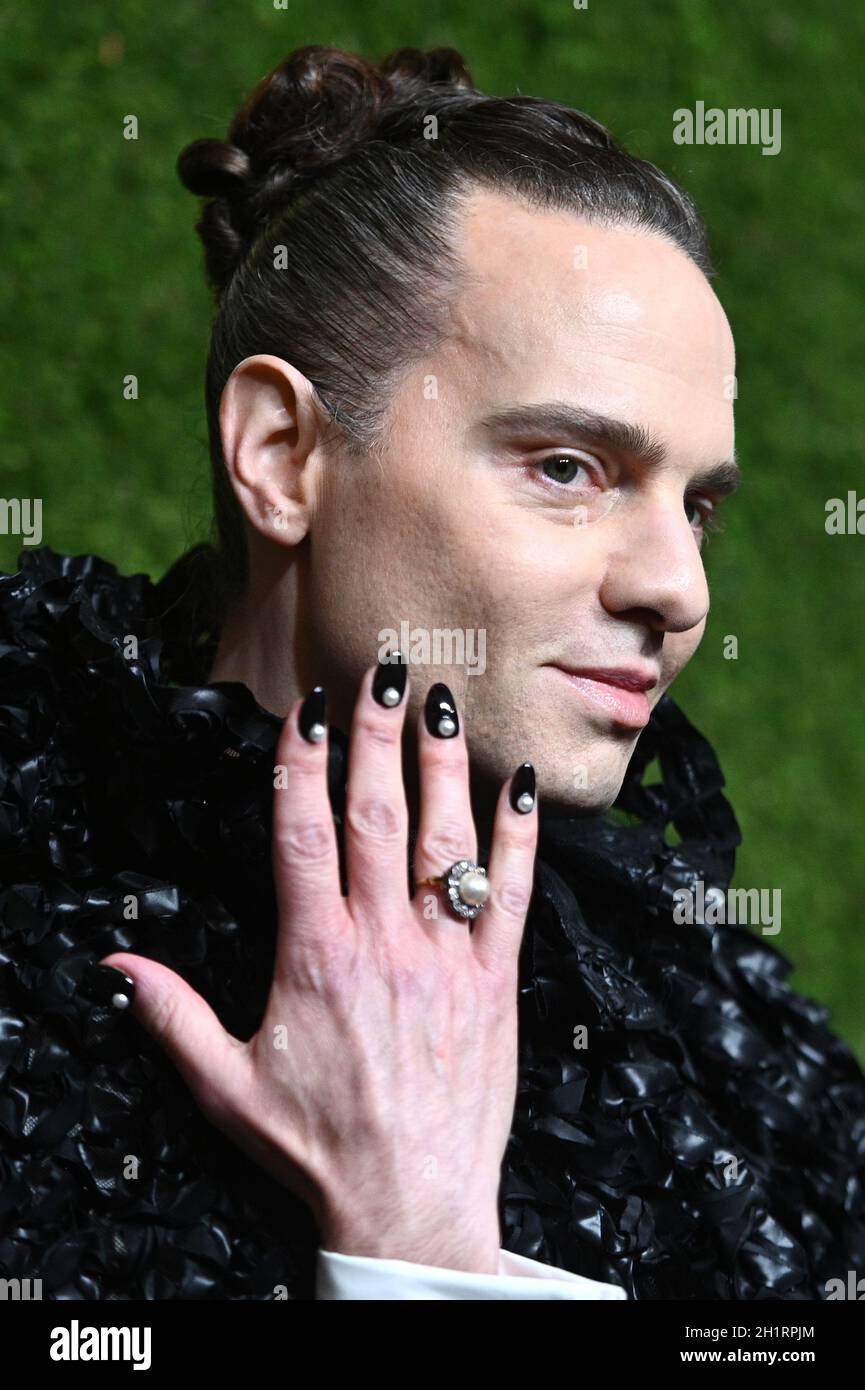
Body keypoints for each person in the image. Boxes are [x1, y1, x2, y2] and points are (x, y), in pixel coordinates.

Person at [1, 43, 863, 1302]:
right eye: (568, 467)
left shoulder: (709, 1021)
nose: (680, 587)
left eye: (700, 507)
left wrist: (420, 1245)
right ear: (284, 455)